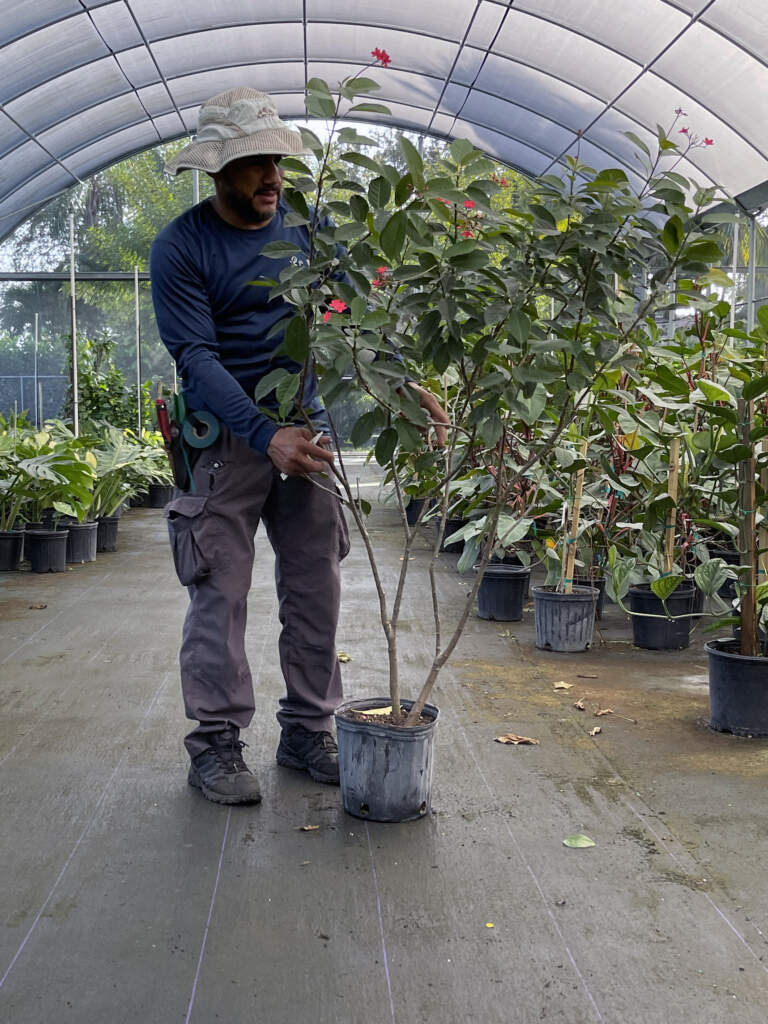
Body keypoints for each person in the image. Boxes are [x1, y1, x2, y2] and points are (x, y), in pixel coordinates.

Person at [150, 88, 447, 806]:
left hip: (305, 428)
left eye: (274, 161)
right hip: (226, 435)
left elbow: (352, 317)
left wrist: (403, 382)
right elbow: (198, 357)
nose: (269, 177)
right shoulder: (182, 246)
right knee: (218, 589)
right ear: (217, 173)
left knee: (317, 580)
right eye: (251, 164)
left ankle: (307, 731)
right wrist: (263, 432)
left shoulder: (307, 231)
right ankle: (217, 743)